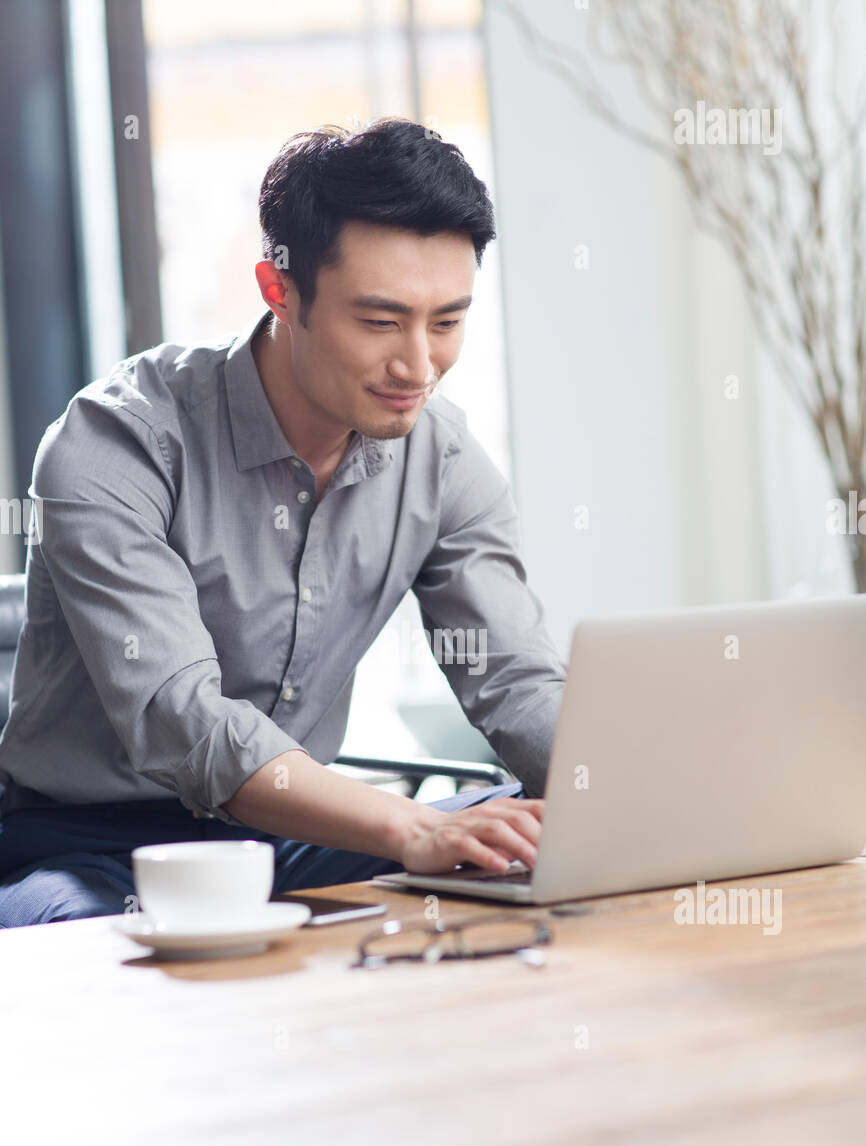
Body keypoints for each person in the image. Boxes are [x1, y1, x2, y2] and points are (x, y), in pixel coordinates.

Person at [0, 118, 566, 928]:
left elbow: (516, 679)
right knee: (88, 942)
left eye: (446, 322)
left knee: (531, 834)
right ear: (280, 290)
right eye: (380, 321)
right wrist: (413, 826)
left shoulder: (439, 458)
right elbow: (181, 721)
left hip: (283, 841)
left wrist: (617, 797)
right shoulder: (117, 442)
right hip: (84, 849)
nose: (417, 366)